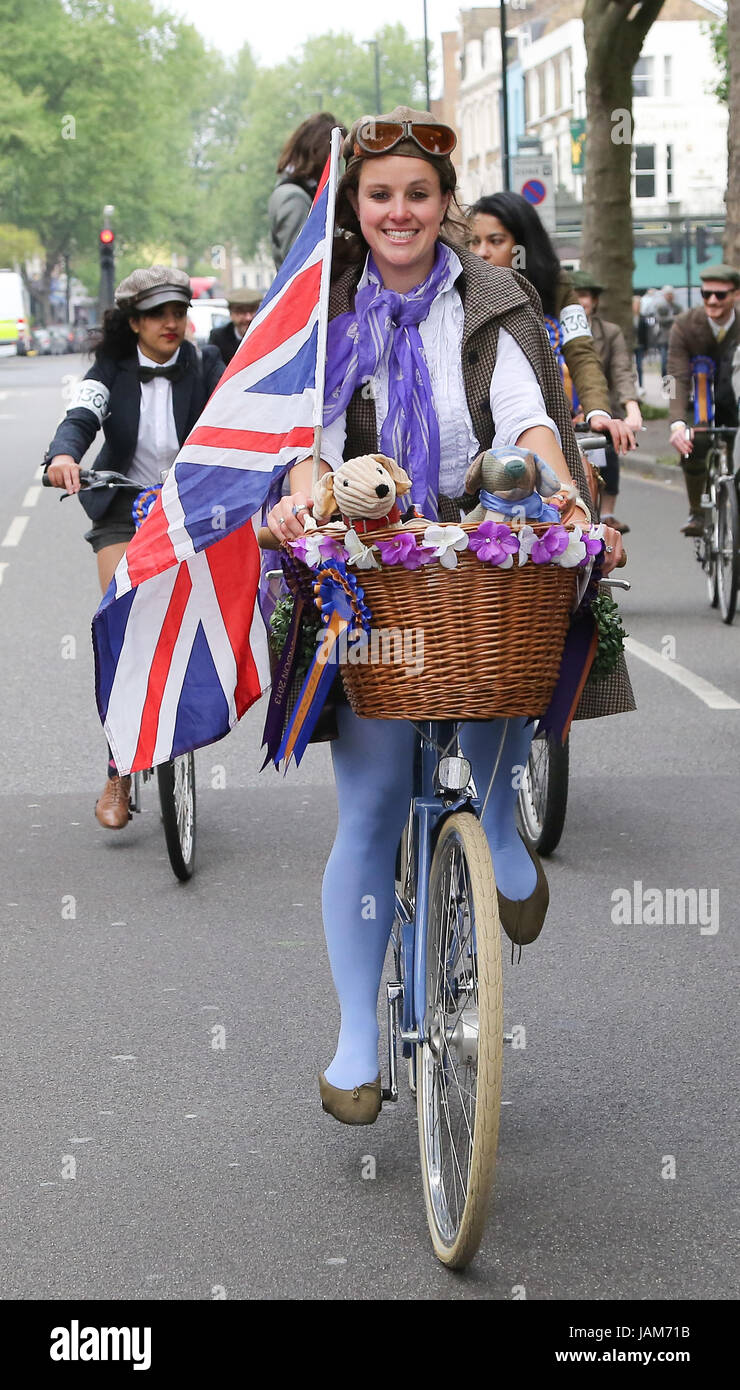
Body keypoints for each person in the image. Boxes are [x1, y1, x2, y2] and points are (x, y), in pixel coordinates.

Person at [265, 106, 632, 1126]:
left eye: (417, 195)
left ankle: (503, 827)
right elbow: (304, 437)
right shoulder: (324, 310)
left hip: (471, 545)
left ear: (443, 206)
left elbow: (525, 414)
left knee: (503, 648)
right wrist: (306, 491)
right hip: (368, 564)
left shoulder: (490, 294)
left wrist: (556, 489)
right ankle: (353, 1039)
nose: (398, 211)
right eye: (378, 194)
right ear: (356, 205)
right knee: (373, 803)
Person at [44, 266, 224, 827]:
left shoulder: (208, 367)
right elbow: (80, 418)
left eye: (178, 312)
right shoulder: (108, 372)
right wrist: (63, 455)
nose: (172, 323)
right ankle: (119, 767)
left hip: (194, 509)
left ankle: (191, 715)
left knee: (196, 625)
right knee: (124, 623)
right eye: (157, 315)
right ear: (134, 322)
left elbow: (235, 421)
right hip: (123, 508)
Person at [468, 191, 636, 459]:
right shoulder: (461, 289)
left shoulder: (558, 288)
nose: (481, 252)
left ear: (522, 244)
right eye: (474, 242)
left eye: (495, 241)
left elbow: (581, 351)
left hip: (549, 423)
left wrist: (598, 412)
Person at [667, 263, 740, 535]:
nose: (711, 300)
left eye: (720, 295)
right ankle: (697, 512)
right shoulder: (684, 325)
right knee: (693, 443)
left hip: (734, 402)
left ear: (736, 295)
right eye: (706, 293)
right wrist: (676, 422)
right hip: (696, 403)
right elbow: (673, 377)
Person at [572, 270, 643, 534]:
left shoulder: (611, 332)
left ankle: (609, 513)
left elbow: (623, 372)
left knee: (608, 450)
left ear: (594, 300)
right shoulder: (550, 329)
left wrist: (631, 407)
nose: (580, 301)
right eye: (574, 295)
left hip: (598, 411)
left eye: (585, 296)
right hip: (561, 412)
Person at [268, 112, 346, 270]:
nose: (338, 169)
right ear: (318, 153)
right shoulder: (294, 198)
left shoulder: (297, 193)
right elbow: (302, 264)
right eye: (336, 160)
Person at [208, 287, 261, 365]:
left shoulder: (268, 335)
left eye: (252, 310)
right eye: (241, 311)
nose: (248, 318)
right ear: (231, 313)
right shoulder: (218, 337)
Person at [653, 285, 681, 379]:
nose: (670, 296)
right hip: (664, 338)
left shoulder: (677, 307)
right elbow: (659, 319)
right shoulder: (660, 307)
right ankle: (665, 381)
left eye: (671, 294)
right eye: (668, 294)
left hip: (676, 337)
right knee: (664, 361)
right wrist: (672, 318)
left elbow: (682, 318)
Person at [632, 293, 650, 393]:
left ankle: (641, 385)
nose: (636, 306)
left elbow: (646, 334)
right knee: (630, 367)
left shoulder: (642, 318)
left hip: (640, 345)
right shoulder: (628, 318)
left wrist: (646, 347)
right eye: (635, 304)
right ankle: (631, 386)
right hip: (630, 346)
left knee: (639, 366)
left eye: (638, 304)